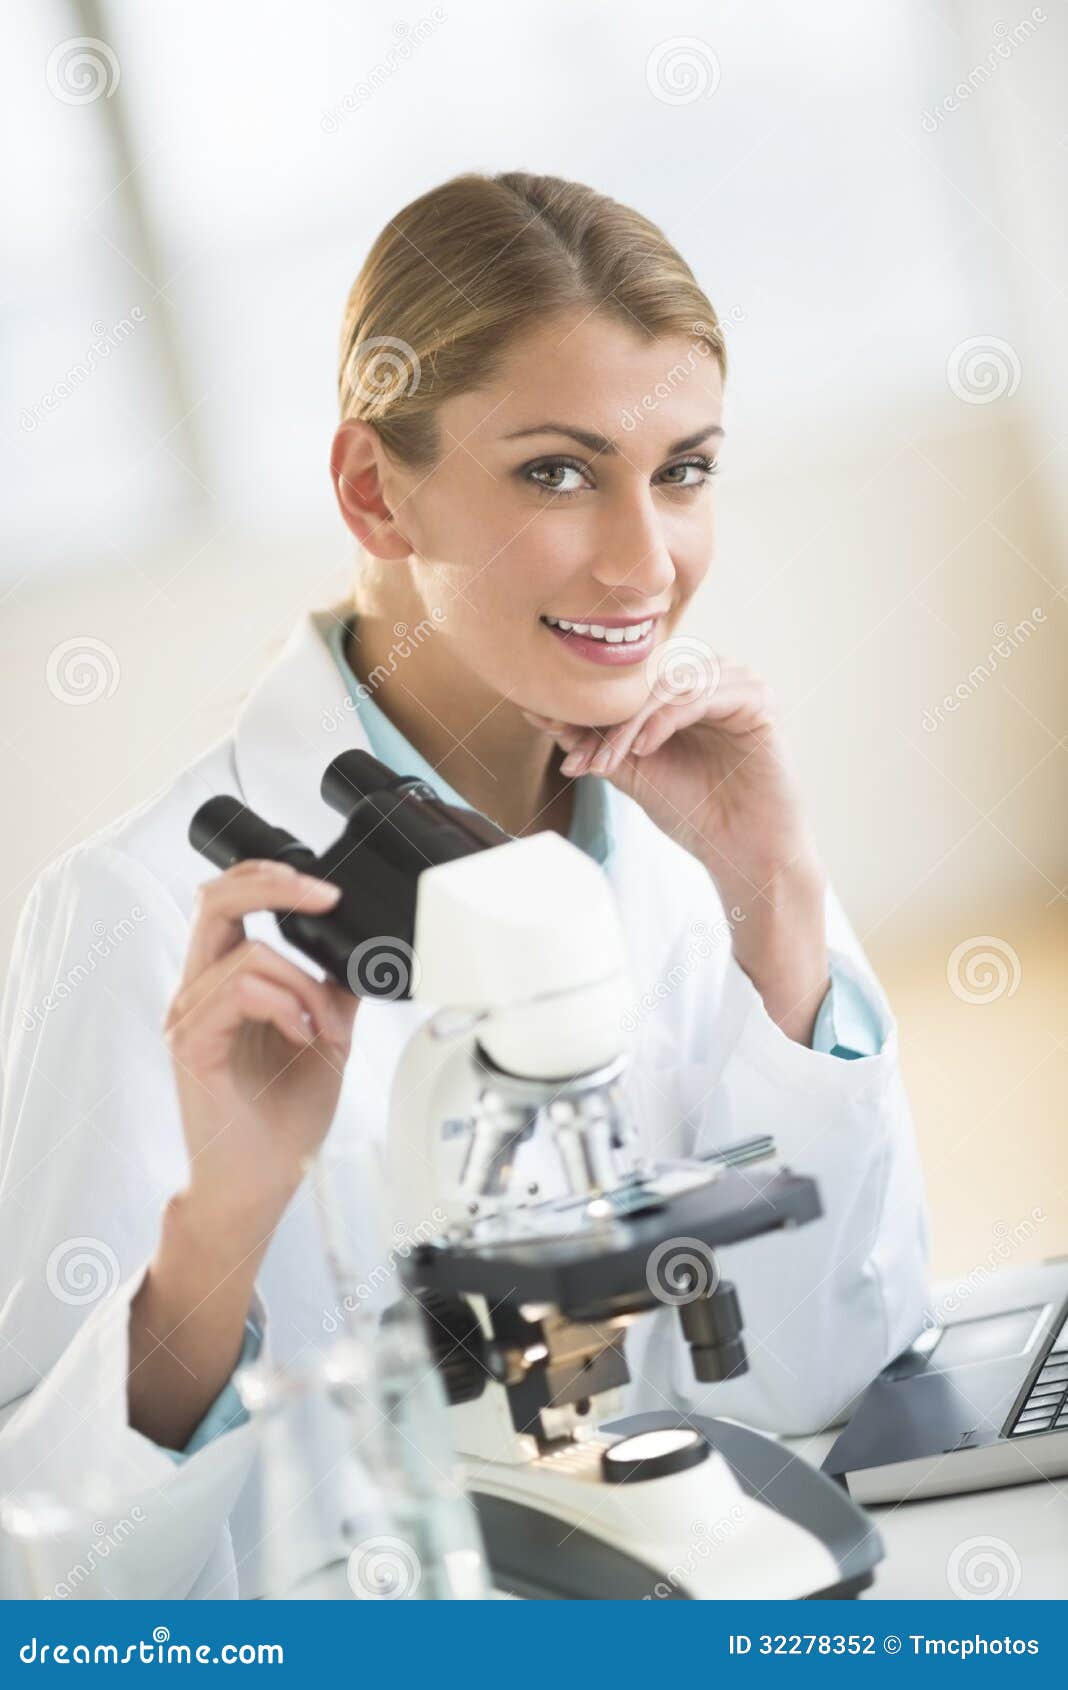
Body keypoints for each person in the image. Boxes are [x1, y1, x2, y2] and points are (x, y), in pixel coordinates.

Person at [0, 171, 928, 1599]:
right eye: (557, 470)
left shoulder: (693, 848)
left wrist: (779, 899)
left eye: (682, 469)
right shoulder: (128, 914)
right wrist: (216, 1243)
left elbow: (833, 1371)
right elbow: (47, 1574)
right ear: (377, 489)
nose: (643, 561)